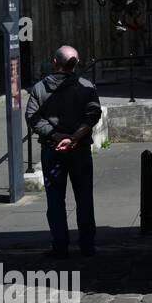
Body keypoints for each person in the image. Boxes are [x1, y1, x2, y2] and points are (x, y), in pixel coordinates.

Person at [25, 46, 101, 259]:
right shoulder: (86, 86)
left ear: (54, 62)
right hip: (80, 150)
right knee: (84, 198)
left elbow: (32, 117)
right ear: (76, 63)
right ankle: (87, 245)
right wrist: (74, 138)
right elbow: (93, 115)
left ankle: (60, 246)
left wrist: (56, 136)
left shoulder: (39, 88)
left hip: (52, 150)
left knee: (55, 200)